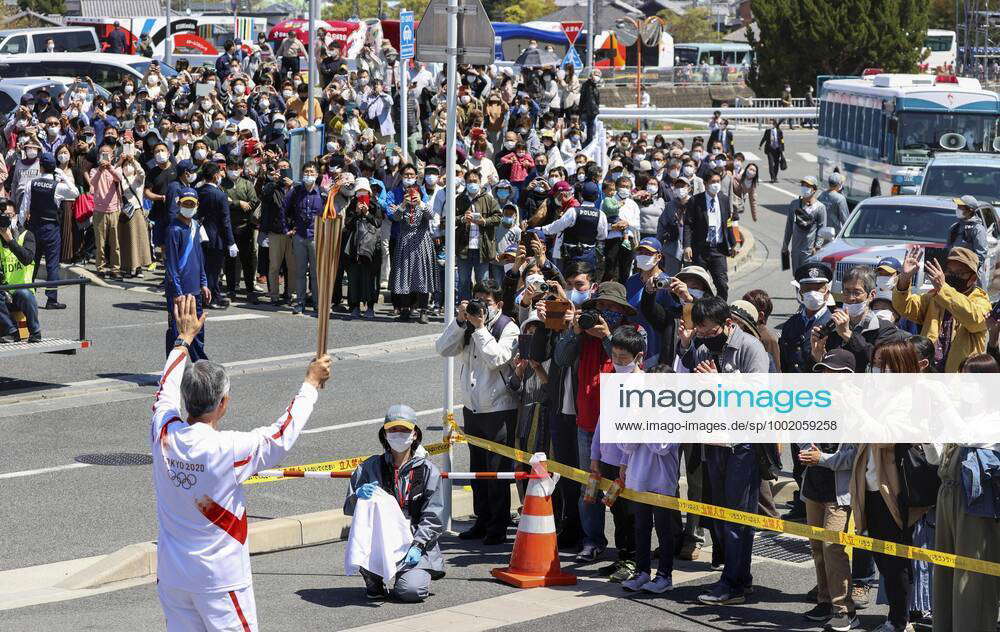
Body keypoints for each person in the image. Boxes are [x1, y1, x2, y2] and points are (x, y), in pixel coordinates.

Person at [152, 294, 330, 632]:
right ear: (224, 403)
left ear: (185, 400)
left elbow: (164, 387)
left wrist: (183, 340)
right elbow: (281, 435)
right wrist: (311, 383)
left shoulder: (164, 433)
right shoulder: (228, 449)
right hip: (219, 581)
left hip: (174, 576)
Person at [681, 298, 768, 606]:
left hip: (742, 444)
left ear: (726, 323)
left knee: (737, 517)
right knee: (720, 515)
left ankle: (734, 581)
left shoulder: (749, 348)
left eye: (707, 331)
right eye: (699, 332)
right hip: (713, 441)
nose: (702, 337)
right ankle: (737, 578)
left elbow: (761, 395)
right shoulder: (703, 348)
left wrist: (720, 383)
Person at [435, 279, 518, 544]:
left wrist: (481, 328)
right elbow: (443, 349)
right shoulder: (468, 325)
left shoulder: (508, 327)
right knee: (477, 471)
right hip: (473, 408)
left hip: (499, 409)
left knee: (496, 473)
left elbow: (496, 359)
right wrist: (460, 322)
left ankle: (497, 527)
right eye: (477, 301)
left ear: (499, 304)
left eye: (488, 303)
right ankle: (481, 522)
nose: (481, 307)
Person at [344, 406, 446, 602]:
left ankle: (413, 573)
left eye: (405, 430)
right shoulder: (369, 467)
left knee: (410, 591)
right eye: (393, 430)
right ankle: (373, 578)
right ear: (385, 434)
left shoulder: (428, 471)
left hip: (413, 540)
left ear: (415, 434)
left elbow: (434, 516)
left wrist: (419, 544)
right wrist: (357, 496)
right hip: (381, 538)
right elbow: (349, 508)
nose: (398, 434)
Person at [797, 349, 859, 632]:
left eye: (831, 372)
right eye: (823, 371)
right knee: (816, 547)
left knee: (834, 548)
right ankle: (824, 600)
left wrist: (820, 458)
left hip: (839, 492)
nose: (825, 377)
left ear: (847, 377)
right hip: (813, 487)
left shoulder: (856, 410)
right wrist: (805, 448)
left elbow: (852, 457)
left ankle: (843, 608)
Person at [619, 361, 680, 595]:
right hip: (639, 478)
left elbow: (661, 446)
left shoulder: (674, 413)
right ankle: (642, 571)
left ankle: (665, 575)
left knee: (664, 529)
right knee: (641, 527)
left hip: (662, 481)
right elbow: (626, 443)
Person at [893, 245, 990, 372]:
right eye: (949, 271)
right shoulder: (934, 296)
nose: (952, 276)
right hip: (929, 373)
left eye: (959, 273)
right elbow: (905, 307)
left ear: (972, 278)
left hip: (961, 379)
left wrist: (943, 289)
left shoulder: (980, 299)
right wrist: (904, 279)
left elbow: (975, 320)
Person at [810, 265, 901, 374]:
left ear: (871, 295)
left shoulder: (886, 329)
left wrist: (848, 335)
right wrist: (818, 356)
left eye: (857, 292)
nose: (850, 298)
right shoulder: (832, 327)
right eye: (847, 291)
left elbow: (878, 360)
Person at [20, 152, 78, 310]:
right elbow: (75, 193)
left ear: (41, 167)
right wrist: (64, 177)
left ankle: (27, 294)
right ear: (54, 168)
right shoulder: (58, 186)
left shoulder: (31, 184)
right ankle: (51, 300)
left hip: (33, 227)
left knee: (32, 262)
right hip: (51, 228)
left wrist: (20, 227)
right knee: (52, 265)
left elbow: (24, 207)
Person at [683, 170, 736, 300]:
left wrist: (733, 243)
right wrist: (687, 245)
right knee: (698, 284)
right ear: (705, 184)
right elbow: (688, 224)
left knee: (722, 284)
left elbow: (728, 223)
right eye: (713, 182)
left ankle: (719, 309)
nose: (716, 184)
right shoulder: (695, 201)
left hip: (718, 249)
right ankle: (700, 309)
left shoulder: (723, 199)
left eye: (718, 181)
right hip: (701, 249)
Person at [284, 162, 325, 315]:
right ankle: (299, 303)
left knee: (315, 273)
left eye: (312, 172)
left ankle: (317, 303)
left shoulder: (322, 192)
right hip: (299, 236)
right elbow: (284, 209)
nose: (309, 174)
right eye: (306, 172)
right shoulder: (295, 191)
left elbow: (329, 214)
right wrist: (287, 228)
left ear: (317, 175)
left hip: (316, 237)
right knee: (300, 272)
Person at [0, 198, 41, 343]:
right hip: (4, 293)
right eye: (2, 216)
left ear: (16, 216)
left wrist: (10, 240)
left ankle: (35, 332)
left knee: (24, 294)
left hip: (21, 291)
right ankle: (12, 331)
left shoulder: (27, 235)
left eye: (9, 216)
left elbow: (27, 259)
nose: (5, 219)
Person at [197, 163, 237, 310]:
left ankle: (215, 295)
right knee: (213, 271)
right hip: (216, 237)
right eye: (219, 174)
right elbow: (225, 221)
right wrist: (231, 242)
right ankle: (211, 299)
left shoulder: (198, 191)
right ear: (215, 176)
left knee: (205, 268)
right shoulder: (220, 195)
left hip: (200, 235)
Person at [221, 157, 260, 304]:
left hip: (245, 227)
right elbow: (223, 200)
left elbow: (254, 201)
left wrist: (236, 203)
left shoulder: (247, 184)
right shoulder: (223, 184)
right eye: (231, 167)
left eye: (236, 167)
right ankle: (231, 289)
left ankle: (250, 290)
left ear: (241, 169)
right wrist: (238, 203)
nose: (234, 170)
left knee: (247, 260)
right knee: (230, 260)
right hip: (228, 227)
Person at [343, 178, 383, 320]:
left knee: (370, 278)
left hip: (370, 248)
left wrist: (366, 213)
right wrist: (356, 213)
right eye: (359, 191)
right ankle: (354, 306)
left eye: (364, 191)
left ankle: (370, 306)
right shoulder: (352, 205)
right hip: (354, 247)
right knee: (354, 277)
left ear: (369, 192)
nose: (361, 193)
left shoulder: (375, 205)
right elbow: (347, 224)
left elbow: (378, 223)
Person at [87, 142, 124, 279]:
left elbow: (119, 178)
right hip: (99, 211)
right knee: (100, 243)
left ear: (113, 155)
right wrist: (101, 170)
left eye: (107, 153)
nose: (105, 156)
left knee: (115, 243)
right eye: (102, 153)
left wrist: (109, 168)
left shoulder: (116, 169)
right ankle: (101, 267)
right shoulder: (94, 170)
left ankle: (115, 268)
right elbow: (92, 182)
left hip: (114, 210)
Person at [782, 175, 827, 272]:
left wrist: (817, 247)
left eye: (808, 186)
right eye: (803, 185)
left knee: (807, 277)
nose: (804, 188)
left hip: (810, 251)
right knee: (796, 276)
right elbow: (789, 226)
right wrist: (785, 245)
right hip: (796, 250)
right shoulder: (794, 204)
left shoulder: (820, 207)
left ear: (814, 189)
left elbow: (822, 229)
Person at [945, 195, 989, 285]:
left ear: (970, 210)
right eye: (958, 207)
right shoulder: (954, 228)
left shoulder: (978, 229)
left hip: (970, 276)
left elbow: (981, 255)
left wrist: (967, 271)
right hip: (953, 275)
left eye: (961, 207)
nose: (958, 209)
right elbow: (948, 250)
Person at [759, 119, 785, 183]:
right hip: (769, 149)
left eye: (771, 123)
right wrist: (760, 145)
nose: (770, 125)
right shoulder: (767, 131)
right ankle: (772, 178)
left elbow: (782, 140)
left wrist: (782, 149)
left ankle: (775, 177)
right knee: (771, 164)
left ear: (775, 124)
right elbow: (764, 138)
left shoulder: (779, 131)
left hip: (777, 149)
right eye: (769, 124)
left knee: (776, 164)